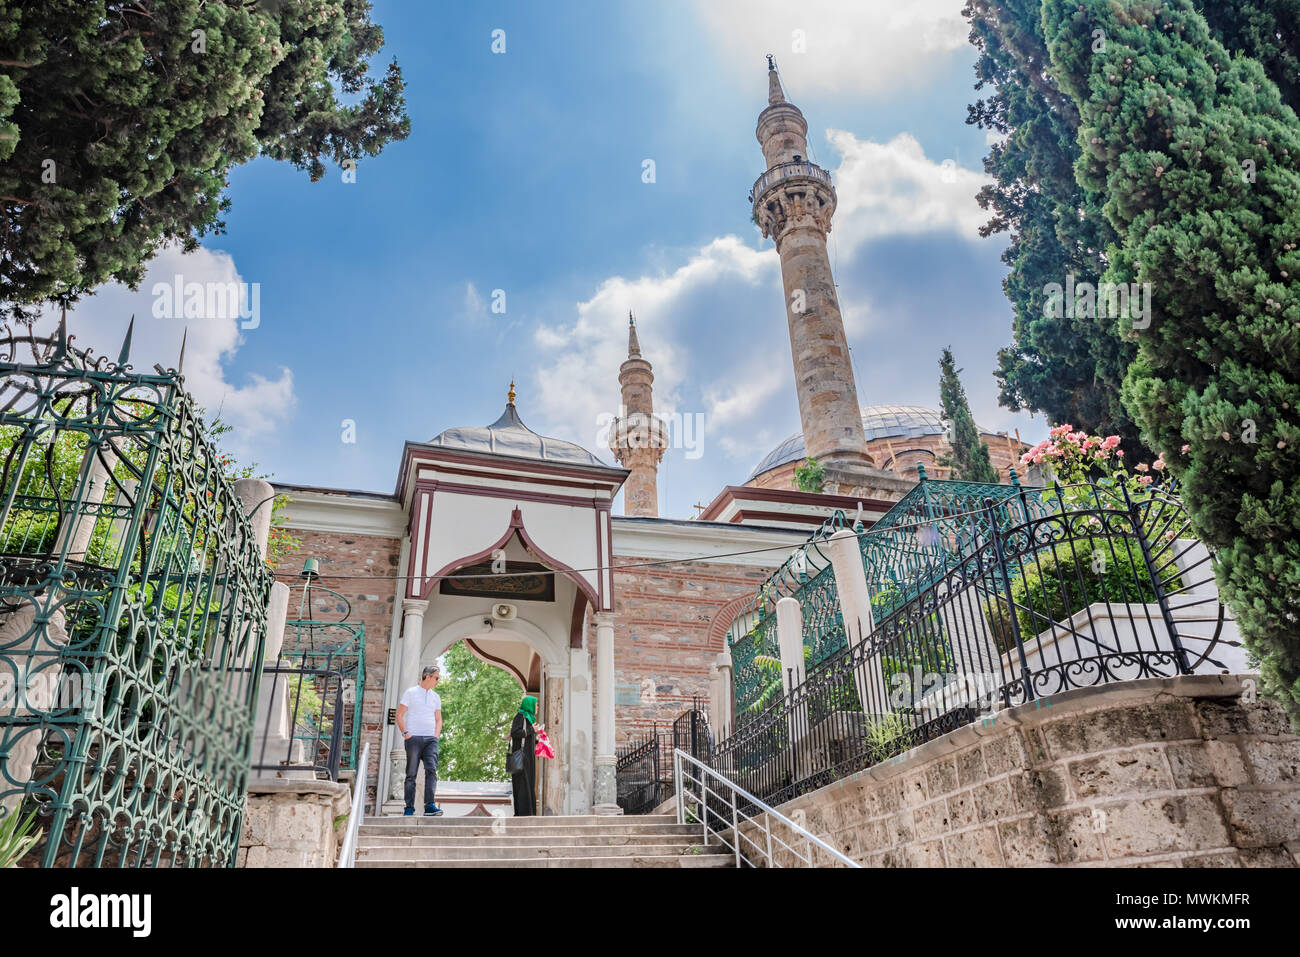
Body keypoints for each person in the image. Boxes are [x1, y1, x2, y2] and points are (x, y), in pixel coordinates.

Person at [396, 666, 444, 816]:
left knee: (432, 771)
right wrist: (406, 733)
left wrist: (435, 735)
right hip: (413, 739)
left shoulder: (436, 697)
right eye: (436, 677)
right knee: (411, 774)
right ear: (428, 676)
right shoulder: (411, 693)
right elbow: (399, 715)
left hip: (431, 740)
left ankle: (429, 805)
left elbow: (438, 719)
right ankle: (409, 808)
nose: (438, 681)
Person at [509, 695, 538, 816]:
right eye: (536, 705)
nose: (537, 707)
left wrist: (538, 738)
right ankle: (522, 813)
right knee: (522, 785)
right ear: (529, 704)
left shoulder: (530, 719)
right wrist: (531, 730)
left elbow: (527, 739)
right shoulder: (520, 716)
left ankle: (529, 813)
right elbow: (515, 733)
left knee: (528, 784)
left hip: (528, 758)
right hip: (520, 758)